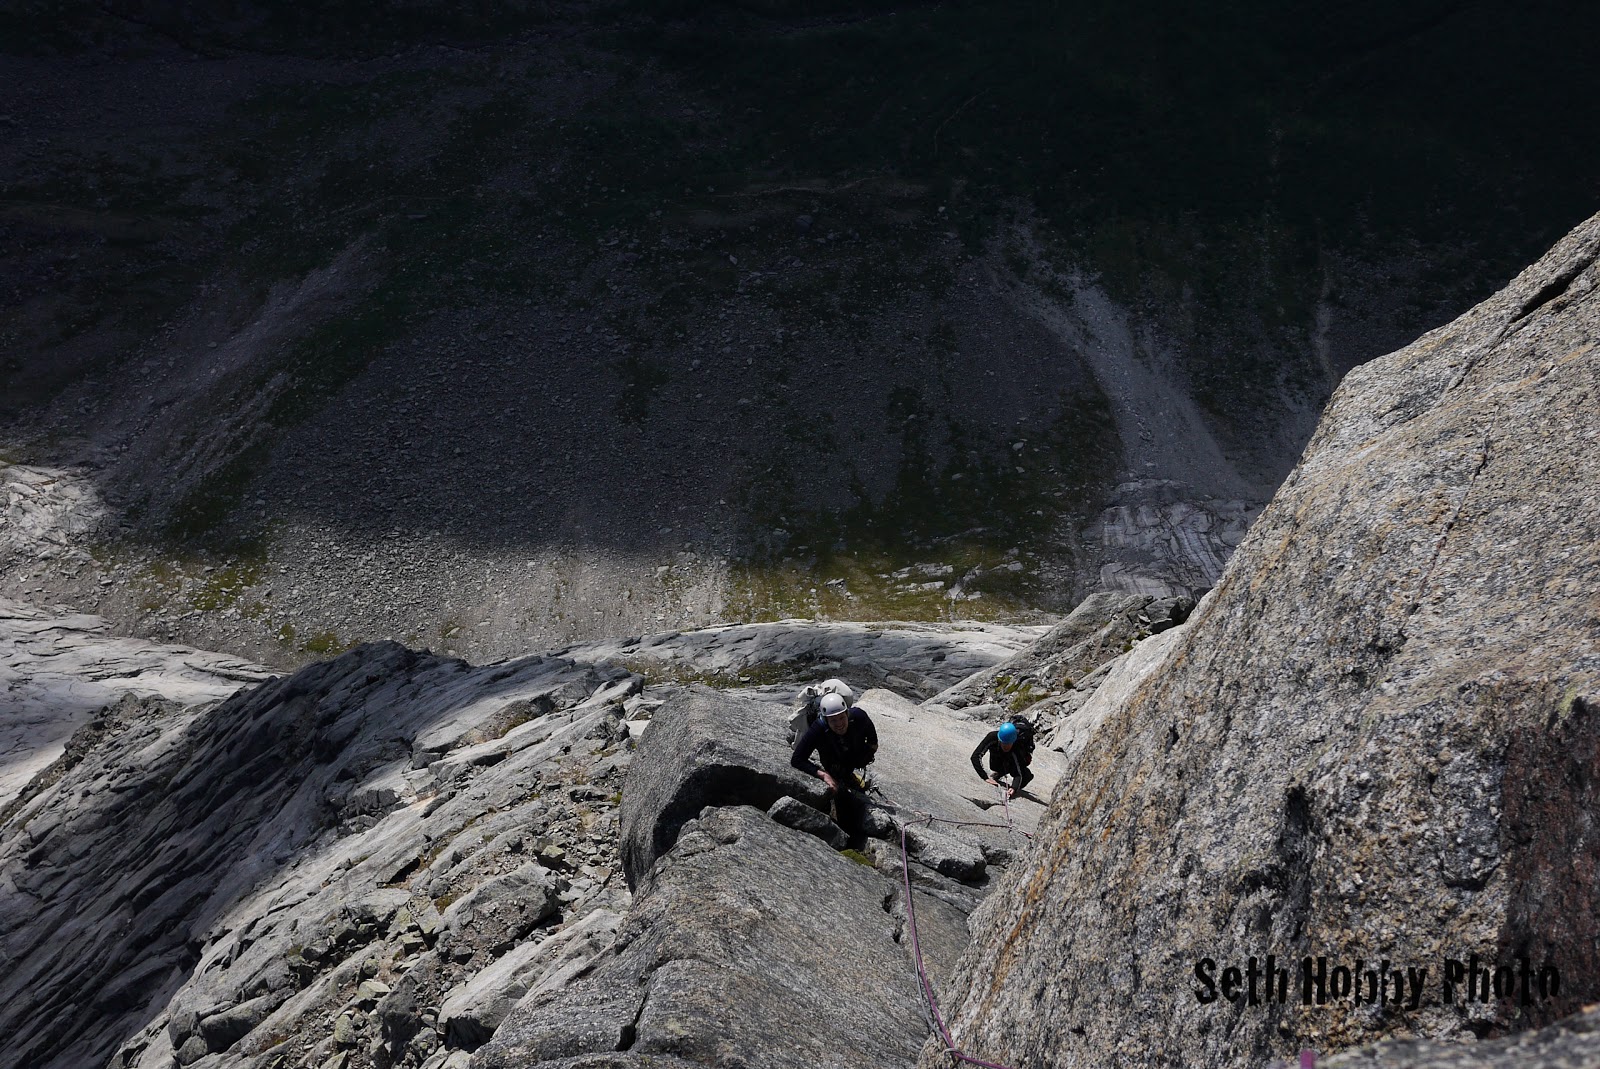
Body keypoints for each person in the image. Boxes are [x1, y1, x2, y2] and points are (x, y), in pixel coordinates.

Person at [791, 693, 878, 835]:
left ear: (847, 713)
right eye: (833, 720)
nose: (839, 724)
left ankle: (849, 775)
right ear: (826, 720)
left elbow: (873, 741)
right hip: (831, 757)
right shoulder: (818, 728)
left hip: (851, 749)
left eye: (842, 718)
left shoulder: (859, 717)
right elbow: (797, 759)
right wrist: (823, 775)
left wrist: (864, 756)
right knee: (839, 787)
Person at [971, 720, 1033, 797]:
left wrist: (1013, 788)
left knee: (1024, 777)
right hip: (999, 758)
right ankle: (1001, 772)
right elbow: (975, 756)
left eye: (1009, 744)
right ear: (999, 739)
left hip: (1016, 761)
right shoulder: (992, 737)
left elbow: (1017, 774)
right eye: (1004, 744)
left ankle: (1027, 774)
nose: (1006, 747)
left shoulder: (1016, 746)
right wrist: (985, 777)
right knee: (994, 767)